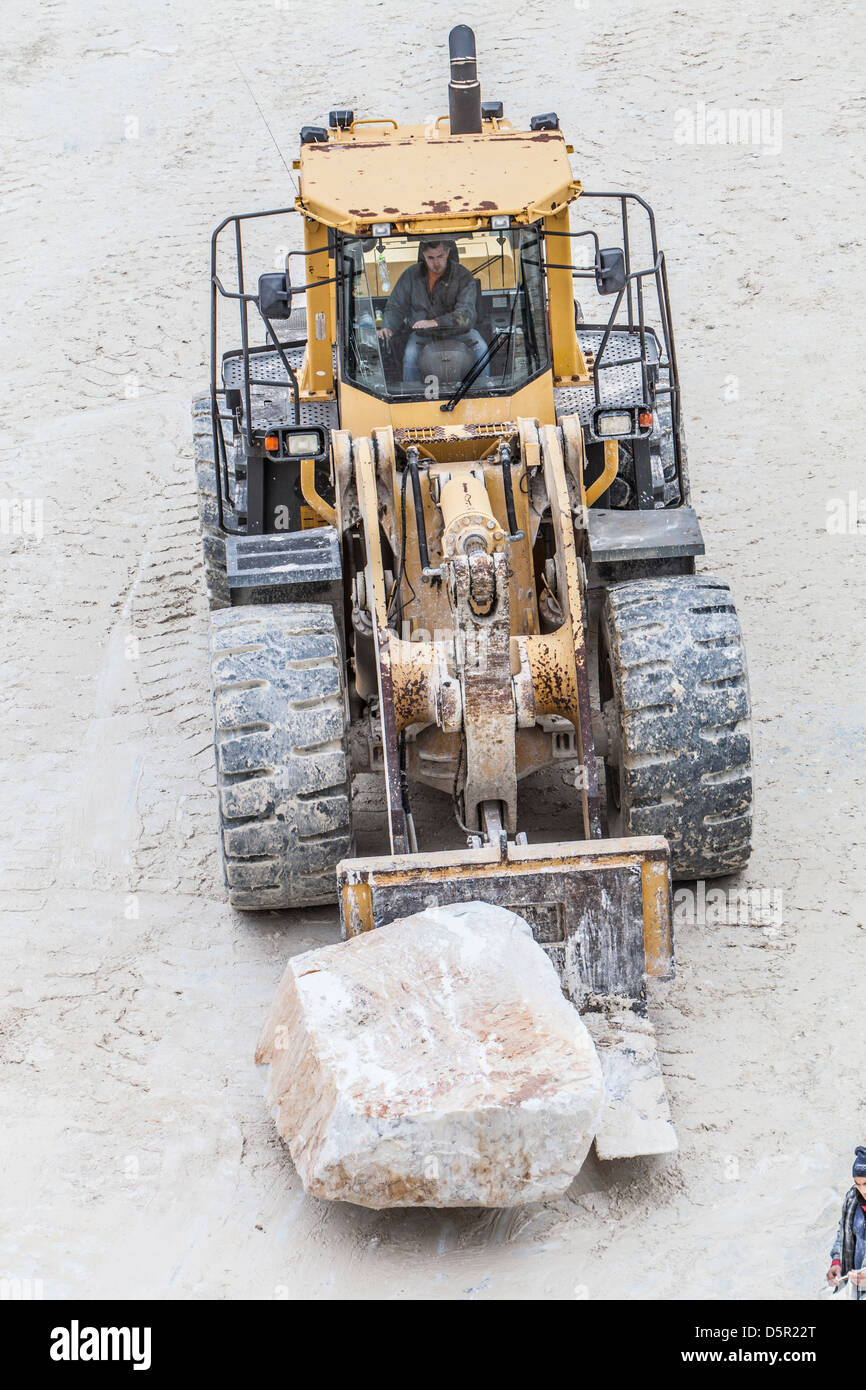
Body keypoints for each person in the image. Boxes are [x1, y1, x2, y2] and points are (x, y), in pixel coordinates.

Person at [376, 238, 488, 383]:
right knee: (410, 357)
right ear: (423, 255)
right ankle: (412, 397)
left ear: (448, 252)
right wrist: (388, 327)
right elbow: (396, 305)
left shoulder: (463, 276)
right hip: (423, 335)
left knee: (482, 350)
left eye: (440, 256)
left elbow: (466, 315)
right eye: (431, 258)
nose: (436, 263)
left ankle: (485, 392)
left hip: (460, 332)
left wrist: (435, 322)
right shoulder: (410, 275)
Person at [826, 1146, 866, 1298]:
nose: (863, 1190)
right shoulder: (852, 1200)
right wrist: (837, 1262)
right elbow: (843, 1233)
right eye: (858, 1183)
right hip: (856, 1287)